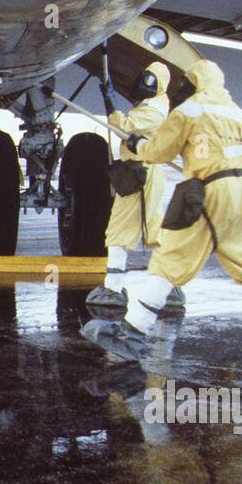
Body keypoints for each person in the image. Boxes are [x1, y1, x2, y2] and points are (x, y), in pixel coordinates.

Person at [85, 59, 242, 363]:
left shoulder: (189, 111)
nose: (181, 88)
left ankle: (132, 335)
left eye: (186, 82)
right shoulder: (239, 115)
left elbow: (159, 151)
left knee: (169, 259)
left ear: (197, 83)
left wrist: (137, 145)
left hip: (207, 190)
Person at [87, 61, 173, 310]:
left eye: (150, 81)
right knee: (154, 231)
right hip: (149, 174)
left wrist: (109, 100)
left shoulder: (153, 112)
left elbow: (122, 126)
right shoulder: (153, 105)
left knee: (118, 230)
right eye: (144, 78)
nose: (143, 84)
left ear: (160, 86)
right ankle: (171, 287)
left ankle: (113, 289)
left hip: (138, 175)